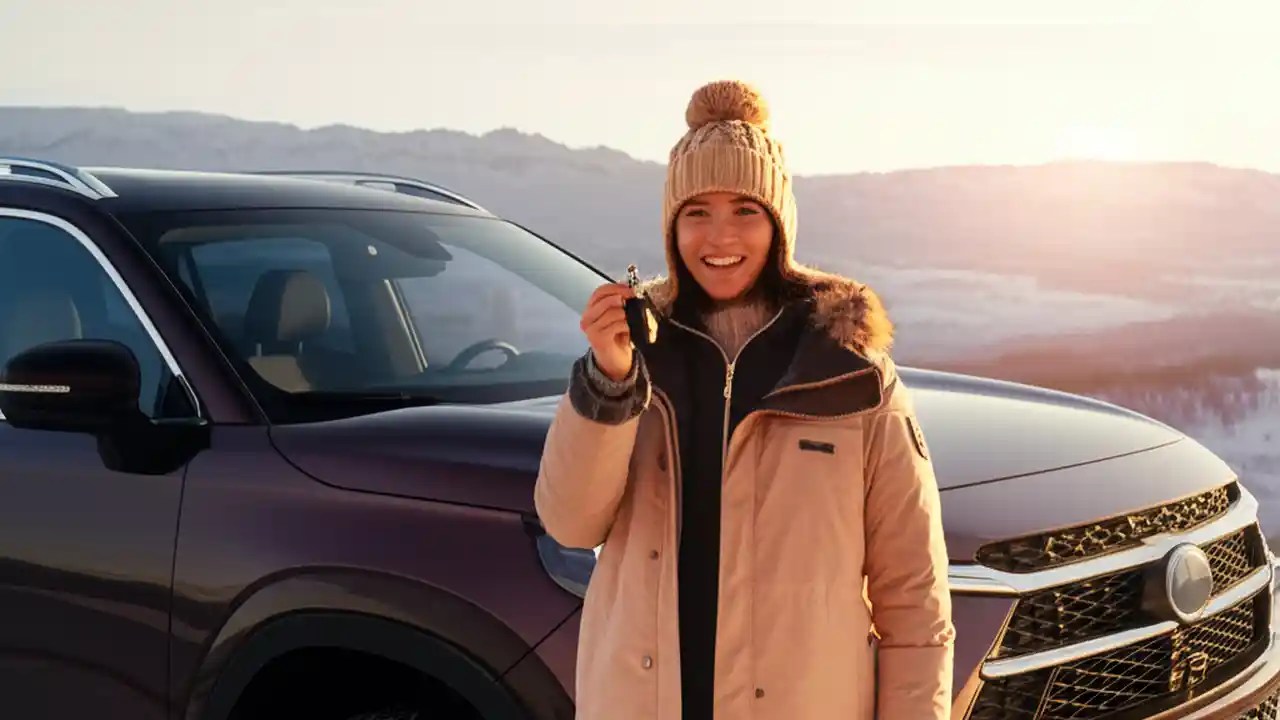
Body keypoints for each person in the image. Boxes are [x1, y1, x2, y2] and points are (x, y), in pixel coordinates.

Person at [535, 79, 954, 720]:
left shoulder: (851, 373)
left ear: (779, 223)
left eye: (745, 211)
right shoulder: (635, 355)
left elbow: (915, 600)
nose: (719, 236)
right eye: (696, 212)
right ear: (672, 227)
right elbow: (570, 522)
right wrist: (610, 380)